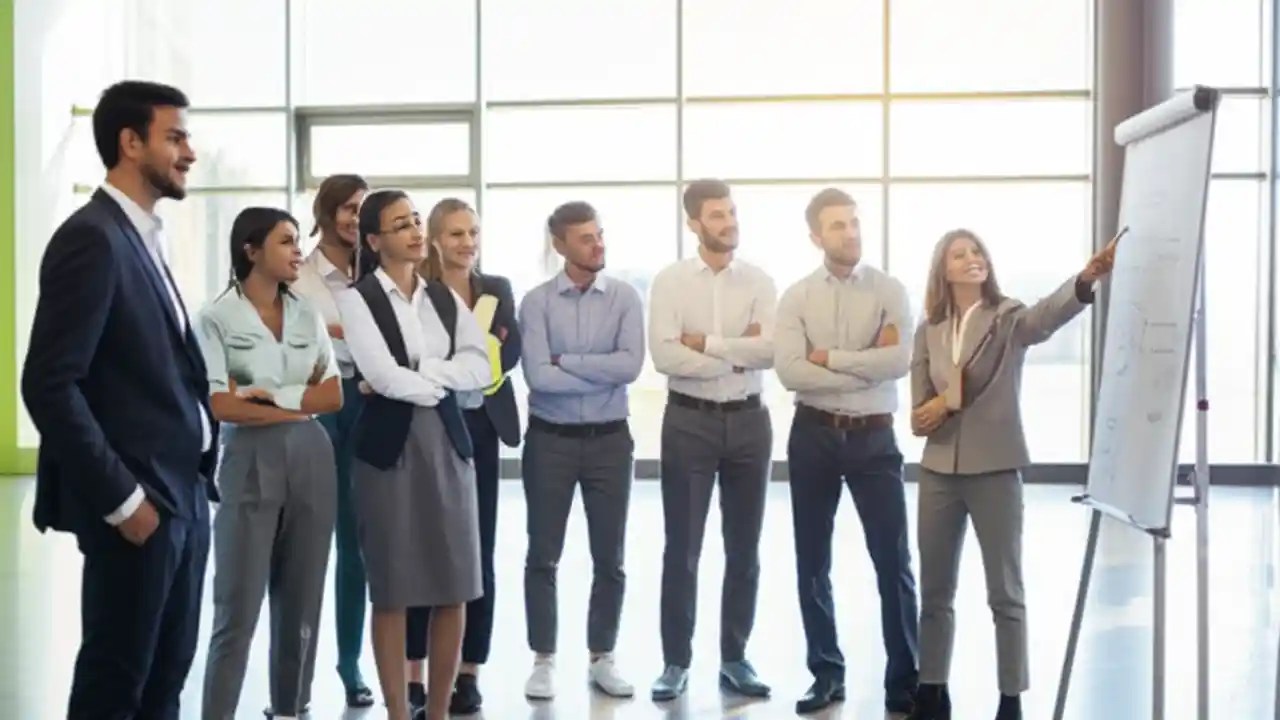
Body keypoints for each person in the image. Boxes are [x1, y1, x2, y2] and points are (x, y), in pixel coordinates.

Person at [20, 80, 216, 720]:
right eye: (175, 136)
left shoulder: (147, 236)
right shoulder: (93, 238)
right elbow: (49, 383)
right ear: (130, 143)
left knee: (164, 682)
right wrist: (124, 501)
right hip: (141, 507)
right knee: (116, 685)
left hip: (184, 497)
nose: (189, 151)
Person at [905, 229, 1119, 720]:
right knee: (935, 591)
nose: (971, 259)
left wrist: (1086, 280)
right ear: (943, 269)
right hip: (938, 469)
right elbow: (918, 409)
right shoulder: (929, 328)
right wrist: (923, 415)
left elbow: (1047, 317)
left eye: (976, 251)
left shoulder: (1007, 318)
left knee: (1005, 591)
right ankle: (932, 691)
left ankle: (1010, 699)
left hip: (996, 468)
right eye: (959, 254)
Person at [335, 189, 490, 720]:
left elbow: (481, 369)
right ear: (374, 240)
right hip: (388, 453)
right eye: (400, 224)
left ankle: (441, 711)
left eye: (416, 220)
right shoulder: (358, 298)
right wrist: (438, 380)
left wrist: (423, 378)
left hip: (448, 445)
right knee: (394, 587)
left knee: (456, 584)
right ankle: (399, 712)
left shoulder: (444, 297)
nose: (414, 230)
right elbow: (377, 373)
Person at [774, 188, 919, 715]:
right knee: (812, 559)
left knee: (893, 559)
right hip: (812, 435)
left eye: (855, 222)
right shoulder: (795, 297)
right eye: (838, 225)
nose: (851, 232)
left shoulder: (890, 290)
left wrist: (829, 358)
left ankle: (904, 678)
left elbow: (899, 360)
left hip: (875, 438)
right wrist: (864, 359)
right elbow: (789, 370)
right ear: (817, 236)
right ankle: (826, 673)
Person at [196, 207, 342, 720]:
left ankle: (290, 710)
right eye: (286, 241)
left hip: (311, 455)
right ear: (251, 250)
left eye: (298, 240)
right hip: (248, 458)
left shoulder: (306, 314)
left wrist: (266, 396)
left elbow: (333, 398)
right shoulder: (214, 319)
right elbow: (221, 405)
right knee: (236, 608)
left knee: (302, 604)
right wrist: (292, 398)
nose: (298, 250)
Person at [648, 179, 776, 701]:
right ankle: (675, 661)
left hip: (750, 422)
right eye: (717, 215)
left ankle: (735, 658)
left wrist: (707, 343)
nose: (728, 222)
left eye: (731, 212)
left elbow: (770, 351)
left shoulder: (761, 281)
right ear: (694, 223)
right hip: (688, 422)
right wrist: (737, 348)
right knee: (683, 548)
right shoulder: (671, 282)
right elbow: (665, 357)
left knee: (744, 548)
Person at [517, 201, 644, 701]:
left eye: (600, 235)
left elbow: (631, 367)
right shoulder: (536, 302)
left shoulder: (626, 299)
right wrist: (597, 368)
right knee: (543, 555)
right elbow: (537, 378)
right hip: (550, 441)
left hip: (611, 441)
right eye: (586, 239)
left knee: (609, 557)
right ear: (561, 246)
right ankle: (543, 659)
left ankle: (602, 657)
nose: (598, 245)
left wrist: (567, 359)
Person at [403, 198, 523, 715]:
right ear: (434, 238)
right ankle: (415, 673)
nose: (467, 242)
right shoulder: (417, 290)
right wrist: (470, 355)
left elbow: (509, 351)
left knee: (479, 549)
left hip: (482, 425)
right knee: (422, 549)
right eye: (455, 233)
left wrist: (460, 357)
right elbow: (413, 357)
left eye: (473, 231)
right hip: (428, 422)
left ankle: (469, 671)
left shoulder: (495, 289)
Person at [290, 172, 377, 708]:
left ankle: (350, 662)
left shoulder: (379, 271)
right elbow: (297, 339)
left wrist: (342, 333)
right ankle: (295, 667)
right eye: (346, 208)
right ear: (324, 211)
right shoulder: (297, 272)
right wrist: (344, 333)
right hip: (317, 407)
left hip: (369, 403)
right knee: (306, 543)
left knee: (358, 546)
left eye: (362, 210)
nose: (354, 218)